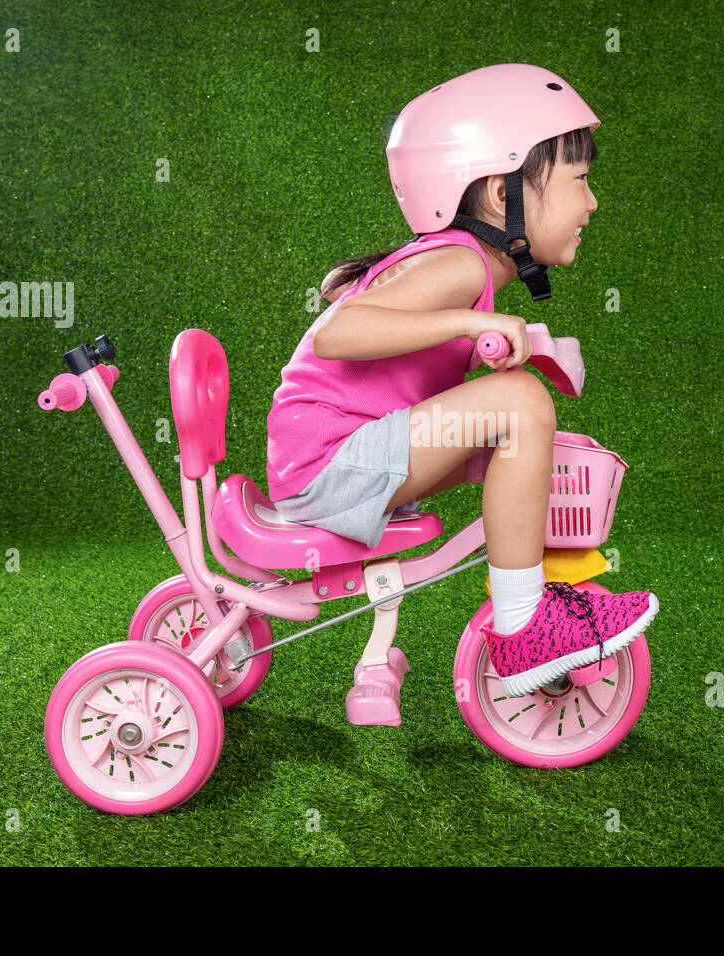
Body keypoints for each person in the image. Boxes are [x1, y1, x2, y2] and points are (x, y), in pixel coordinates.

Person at [265, 63, 658, 697]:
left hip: (345, 459)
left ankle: (538, 599)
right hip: (328, 465)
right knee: (521, 403)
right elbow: (338, 332)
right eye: (580, 180)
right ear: (504, 193)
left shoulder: (463, 267)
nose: (592, 201)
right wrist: (469, 325)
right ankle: (525, 624)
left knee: (519, 429)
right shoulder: (457, 263)